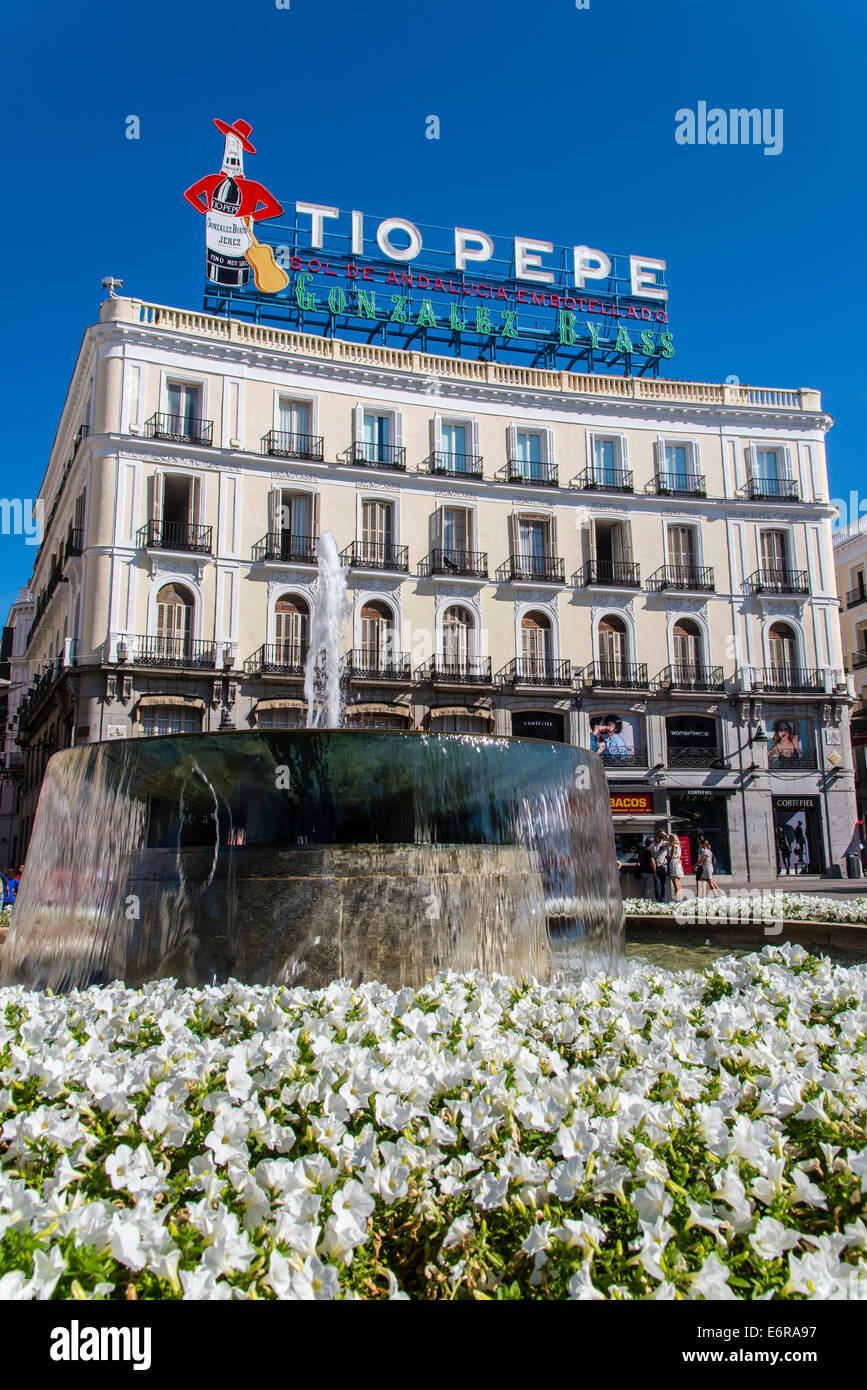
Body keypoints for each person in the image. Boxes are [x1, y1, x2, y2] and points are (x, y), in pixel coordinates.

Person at [651, 829, 669, 901]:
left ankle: (663, 900)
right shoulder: (652, 844)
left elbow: (673, 842)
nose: (660, 838)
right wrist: (654, 870)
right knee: (657, 884)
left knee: (663, 885)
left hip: (663, 866)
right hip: (656, 866)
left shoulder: (664, 843)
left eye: (662, 837)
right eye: (659, 836)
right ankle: (658, 900)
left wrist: (665, 835)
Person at [667, 833, 684, 901]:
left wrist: (668, 857)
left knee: (675, 883)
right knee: (678, 883)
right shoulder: (678, 846)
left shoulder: (674, 846)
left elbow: (672, 856)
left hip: (674, 863)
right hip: (678, 863)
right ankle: (679, 897)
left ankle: (677, 898)